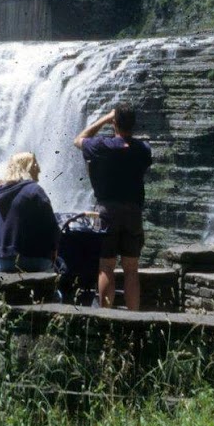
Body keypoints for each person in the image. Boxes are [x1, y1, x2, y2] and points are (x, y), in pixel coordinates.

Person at [74, 104, 152, 310]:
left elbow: (78, 139)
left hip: (107, 211)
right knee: (132, 269)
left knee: (106, 267)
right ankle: (134, 317)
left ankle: (106, 317)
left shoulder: (101, 146)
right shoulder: (144, 150)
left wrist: (104, 119)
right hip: (134, 212)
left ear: (114, 123)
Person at [0, 151, 60, 273]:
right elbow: (52, 227)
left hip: (1, 263)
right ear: (26, 167)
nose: (39, 170)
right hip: (34, 261)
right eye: (35, 165)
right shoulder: (34, 190)